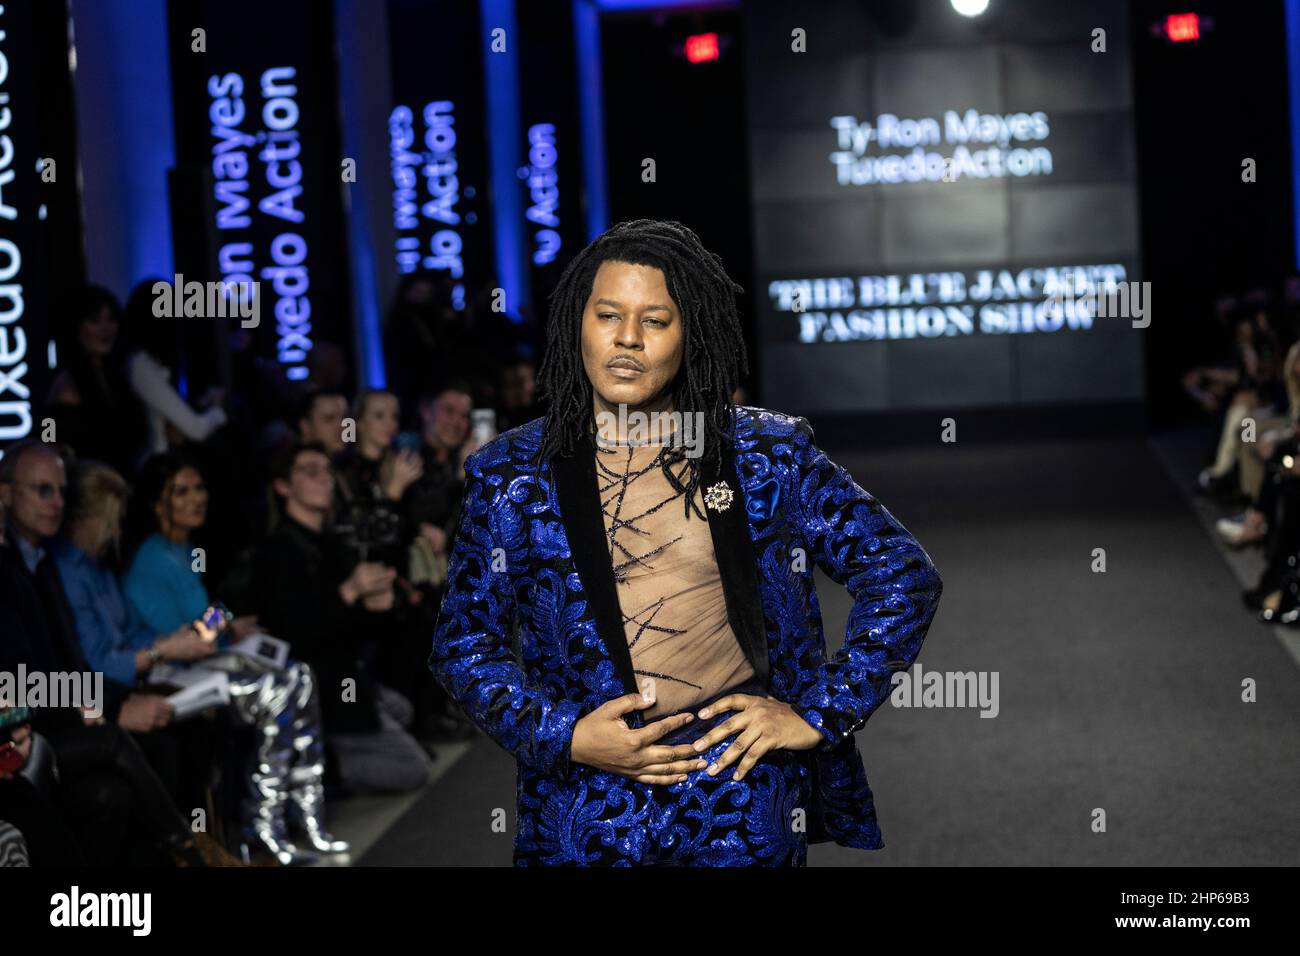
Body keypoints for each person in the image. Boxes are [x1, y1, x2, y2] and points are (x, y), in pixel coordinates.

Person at [431, 220, 944, 866]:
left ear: (688, 333)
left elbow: (901, 573)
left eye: (655, 320)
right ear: (576, 325)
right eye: (608, 315)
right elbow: (463, 643)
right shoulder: (512, 475)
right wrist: (565, 735)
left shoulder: (764, 455)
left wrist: (816, 713)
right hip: (583, 805)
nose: (626, 339)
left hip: (738, 798)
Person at [0, 440, 232, 866]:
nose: (56, 504)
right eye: (42, 491)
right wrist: (153, 660)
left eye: (61, 492)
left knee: (166, 746)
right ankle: (192, 854)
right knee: (128, 748)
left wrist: (172, 645)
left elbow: (62, 666)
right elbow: (38, 677)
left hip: (59, 708)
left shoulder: (48, 564)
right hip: (34, 726)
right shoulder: (69, 566)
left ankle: (194, 850)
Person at [116, 453, 345, 863]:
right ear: (157, 503)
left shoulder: (185, 547)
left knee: (300, 675)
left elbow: (207, 616)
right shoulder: (151, 558)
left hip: (201, 666)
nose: (195, 499)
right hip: (169, 677)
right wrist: (220, 626)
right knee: (278, 690)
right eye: (181, 492)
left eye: (199, 488)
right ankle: (264, 828)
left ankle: (307, 817)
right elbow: (188, 637)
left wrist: (228, 624)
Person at [252, 443, 430, 794]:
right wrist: (349, 593)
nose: (324, 480)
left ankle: (338, 745)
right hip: (317, 688)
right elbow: (293, 634)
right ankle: (315, 767)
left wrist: (373, 605)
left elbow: (353, 624)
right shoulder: (278, 551)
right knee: (413, 769)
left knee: (402, 709)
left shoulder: (327, 541)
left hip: (347, 674)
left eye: (327, 471)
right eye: (310, 471)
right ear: (283, 486)